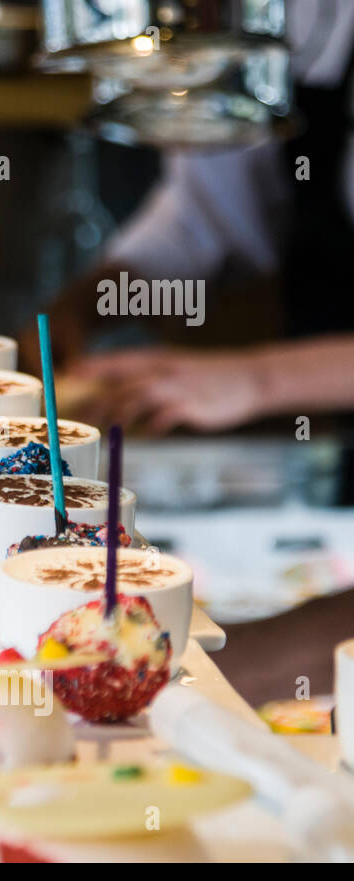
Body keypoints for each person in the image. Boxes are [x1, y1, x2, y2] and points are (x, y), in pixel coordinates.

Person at [37, 1, 354, 707]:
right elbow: (213, 216)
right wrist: (97, 298)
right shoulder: (285, 26)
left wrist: (261, 379)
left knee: (215, 685)